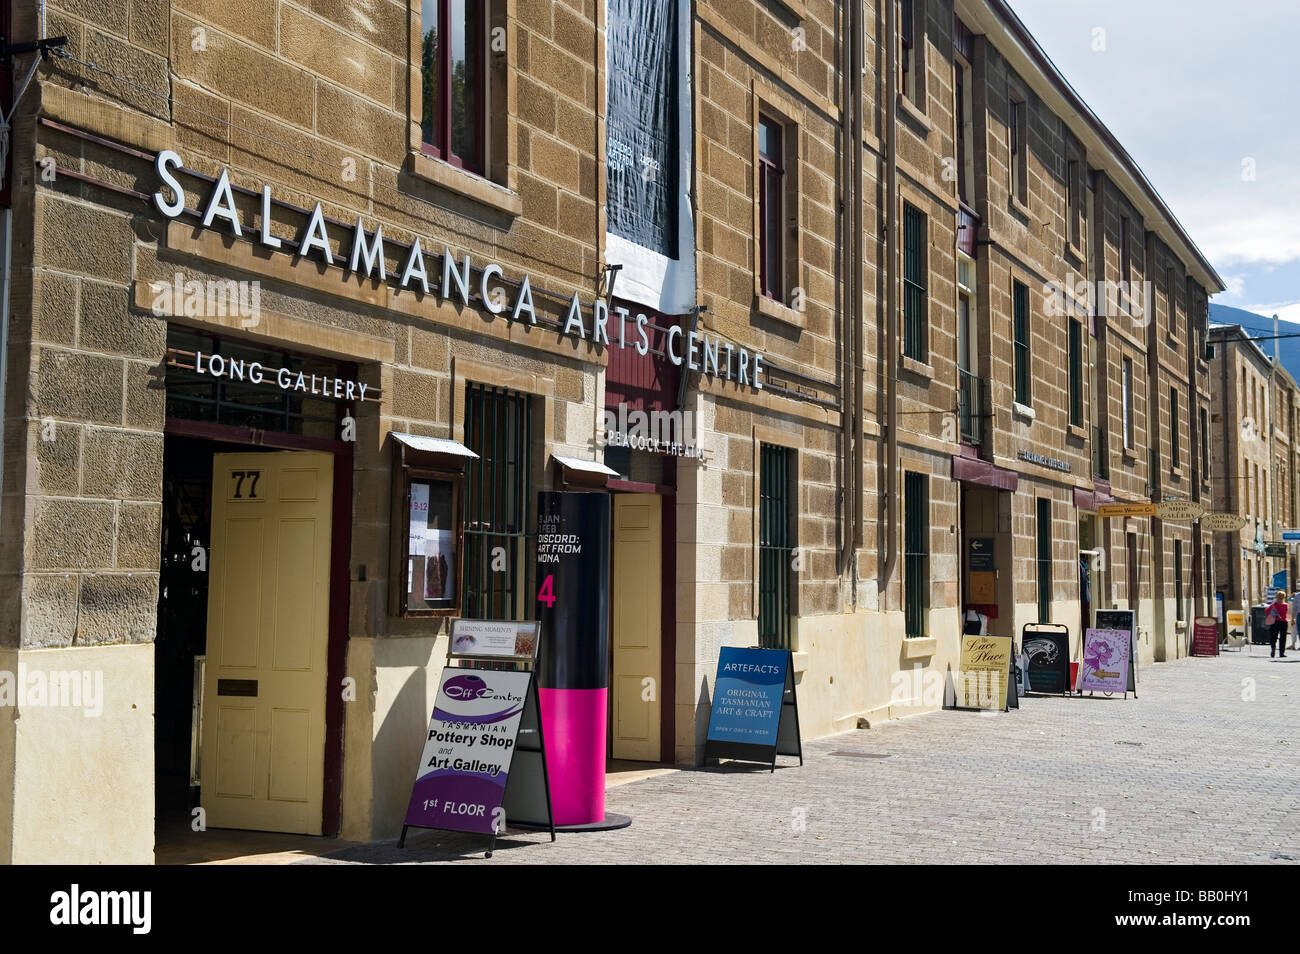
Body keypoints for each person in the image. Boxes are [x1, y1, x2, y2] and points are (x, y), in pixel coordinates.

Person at [1265, 591, 1289, 658]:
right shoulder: (1286, 605)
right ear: (1284, 597)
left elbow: (1266, 611)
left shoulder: (1274, 605)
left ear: (1276, 597)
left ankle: (1273, 648)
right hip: (1284, 622)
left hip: (1275, 622)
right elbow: (1285, 613)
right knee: (1283, 638)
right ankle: (1281, 653)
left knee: (1273, 636)